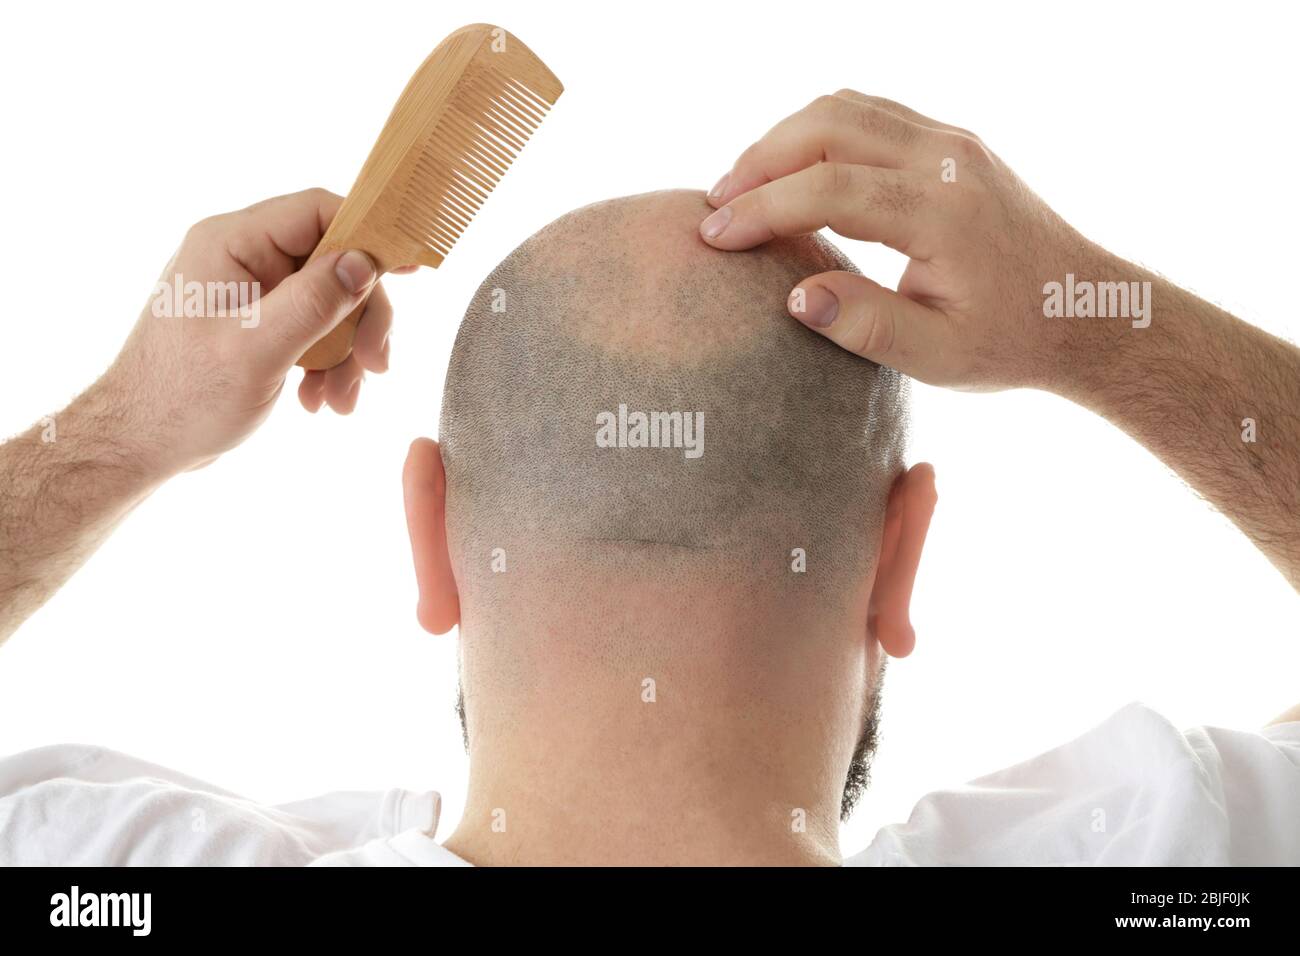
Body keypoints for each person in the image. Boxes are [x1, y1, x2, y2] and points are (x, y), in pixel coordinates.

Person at [0, 93, 1296, 866]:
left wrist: (123, 428)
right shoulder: (1167, 857)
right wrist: (1104, 330)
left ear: (431, 541)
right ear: (903, 560)